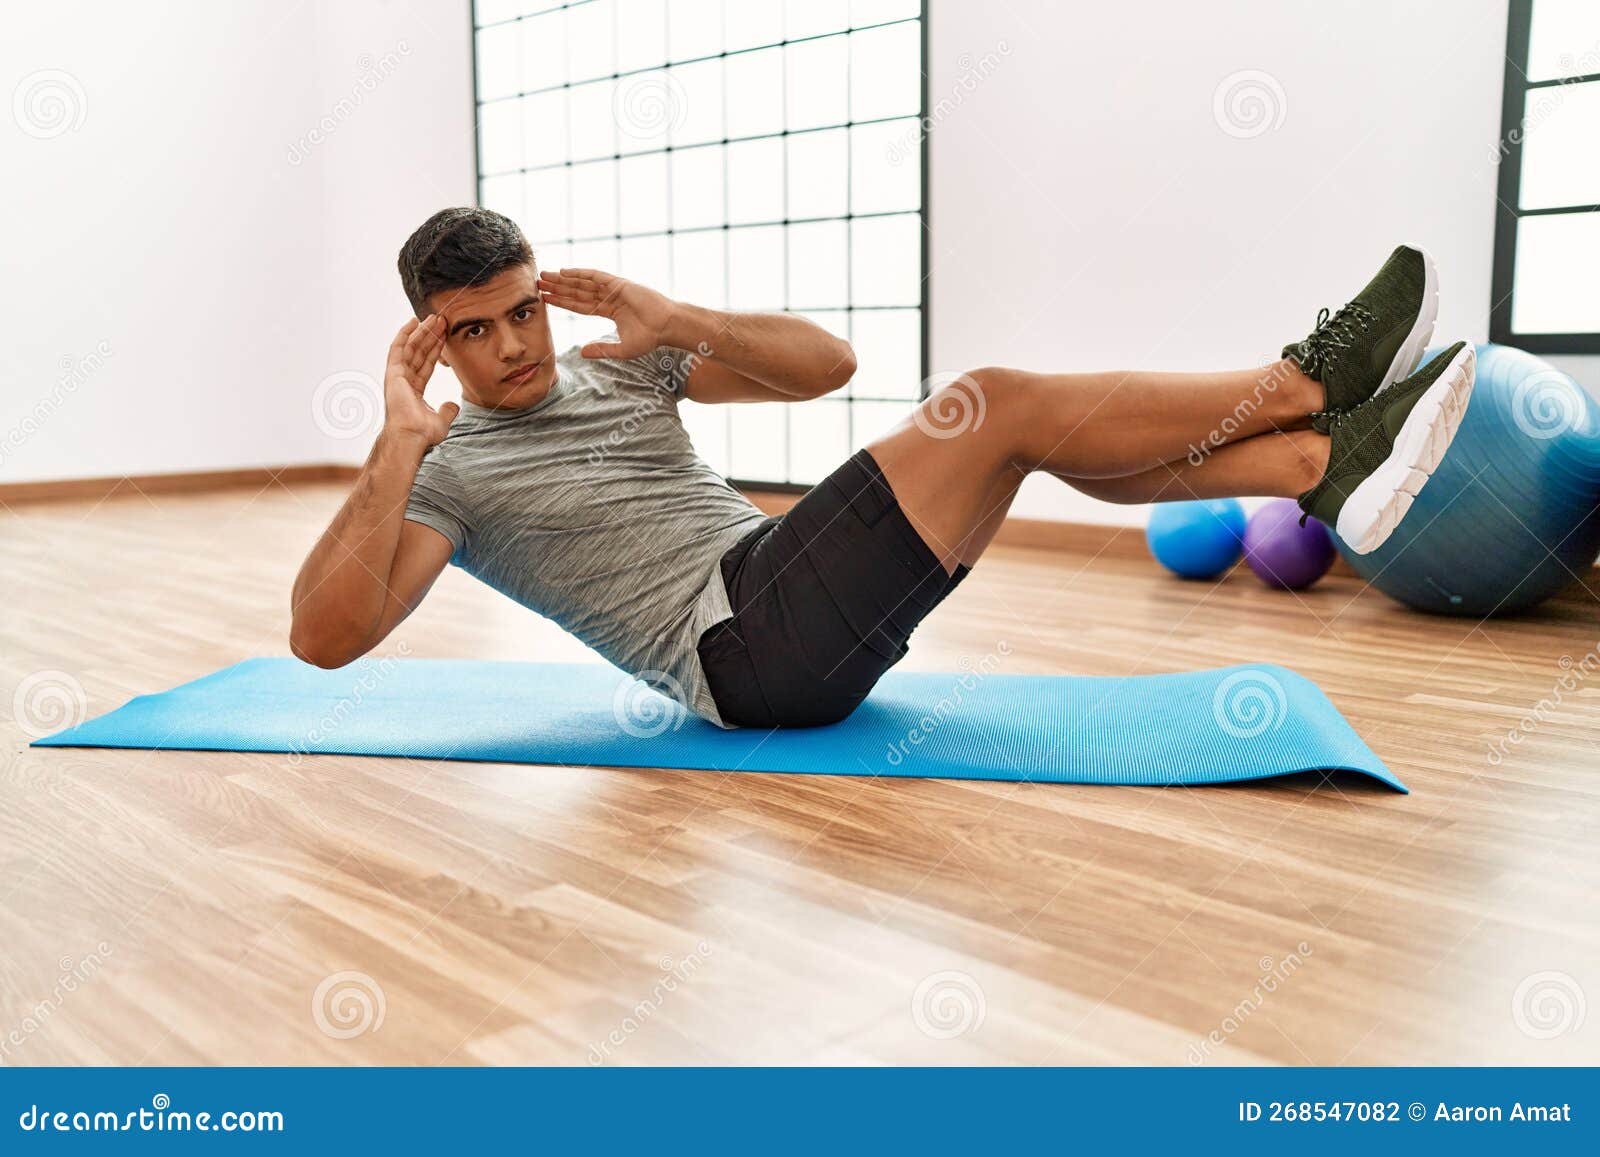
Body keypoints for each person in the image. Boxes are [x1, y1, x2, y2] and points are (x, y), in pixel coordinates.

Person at [289, 208, 1473, 729]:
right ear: (429, 339)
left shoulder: (621, 365)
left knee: (1032, 441)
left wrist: (677, 316)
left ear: (541, 292)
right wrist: (398, 437)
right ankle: (1305, 385)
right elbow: (325, 637)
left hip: (780, 609)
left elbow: (826, 363)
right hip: (740, 648)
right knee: (994, 404)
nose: (508, 349)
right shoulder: (446, 471)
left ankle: (1313, 463)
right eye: (472, 332)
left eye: (518, 314)